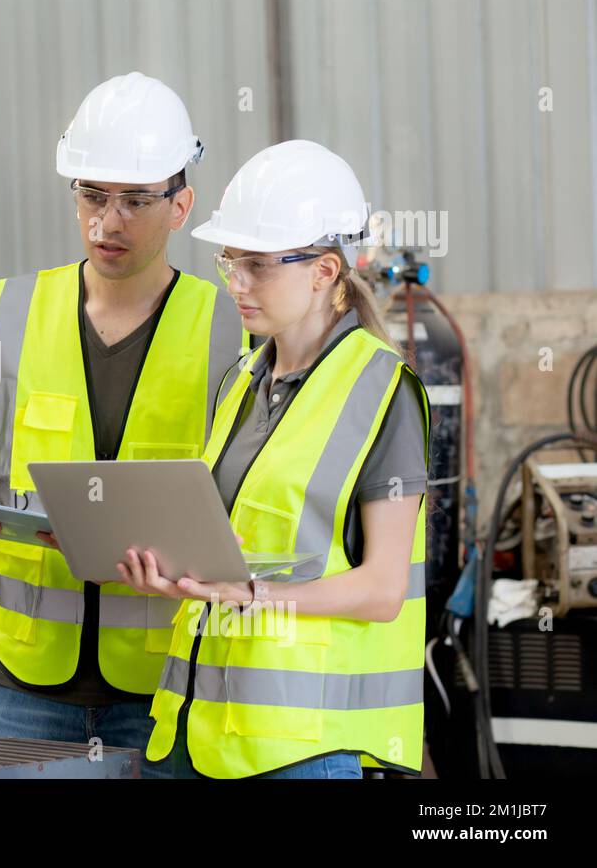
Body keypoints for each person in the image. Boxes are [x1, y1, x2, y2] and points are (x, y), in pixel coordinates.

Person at [0, 72, 246, 778]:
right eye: (94, 195)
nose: (110, 221)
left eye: (136, 200)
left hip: (168, 686)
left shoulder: (230, 329)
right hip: (27, 685)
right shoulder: (9, 309)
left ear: (181, 206)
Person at [117, 139, 430, 779]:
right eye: (231, 261)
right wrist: (174, 569)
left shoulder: (381, 388)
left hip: (301, 749)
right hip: (194, 733)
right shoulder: (244, 380)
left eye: (258, 265)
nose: (236, 283)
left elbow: (382, 590)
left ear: (324, 271)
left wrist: (250, 592)